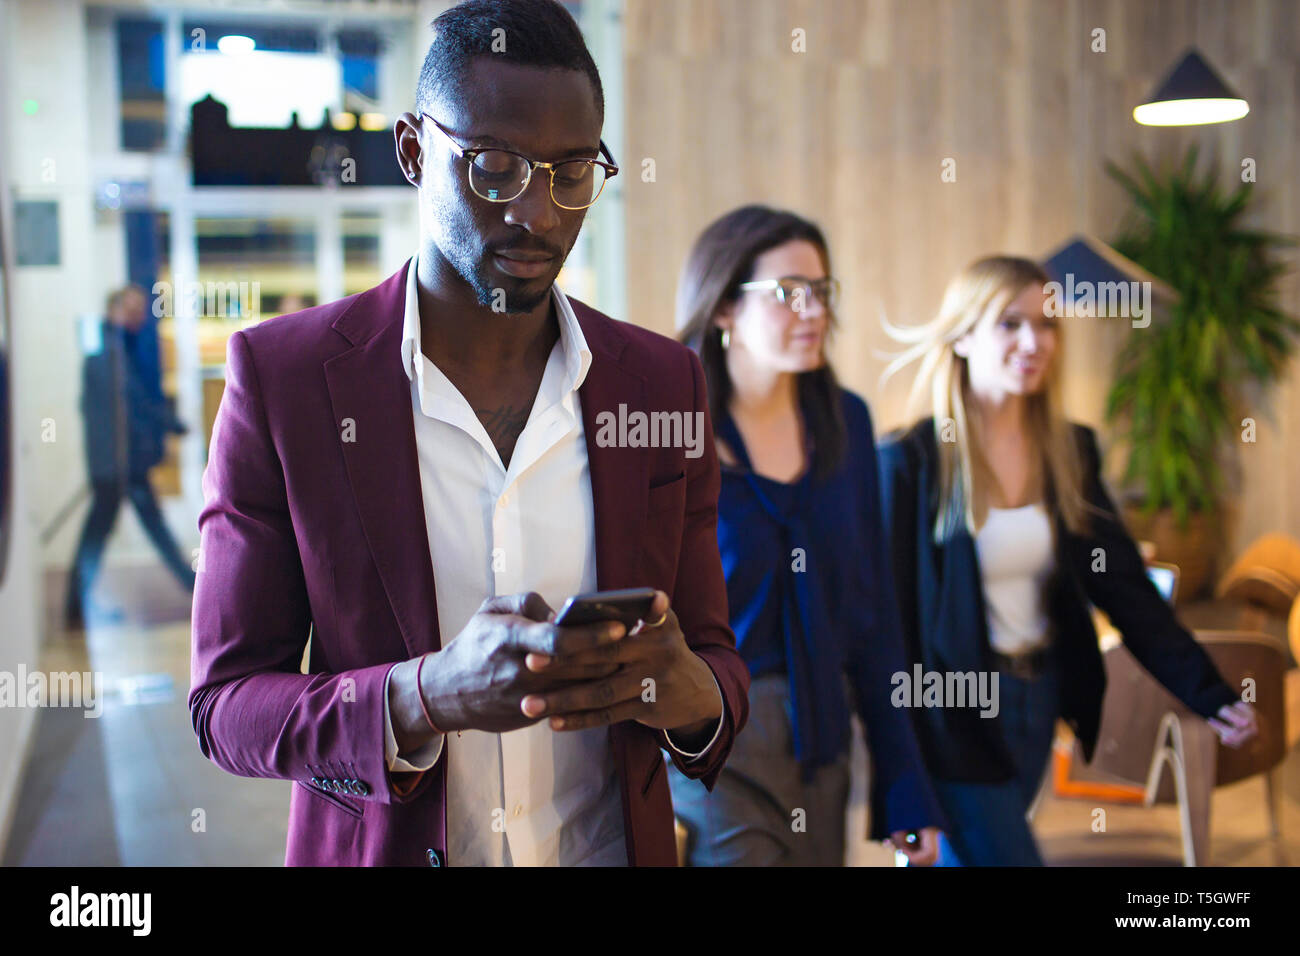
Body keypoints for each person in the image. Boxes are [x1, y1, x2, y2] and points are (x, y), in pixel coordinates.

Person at [189, 0, 748, 867]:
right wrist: (425, 696)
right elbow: (225, 707)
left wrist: (692, 693)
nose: (538, 213)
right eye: (495, 168)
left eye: (572, 173)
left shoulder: (660, 382)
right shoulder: (286, 380)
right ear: (415, 151)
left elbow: (713, 660)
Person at [878, 255, 1258, 866]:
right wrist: (900, 781)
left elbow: (1124, 586)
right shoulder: (911, 460)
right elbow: (888, 628)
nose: (1034, 342)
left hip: (1038, 699)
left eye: (1047, 323)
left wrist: (1209, 692)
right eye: (1010, 323)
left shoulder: (1069, 450)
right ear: (963, 337)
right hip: (953, 710)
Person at [671, 205, 944, 866]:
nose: (815, 311)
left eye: (822, 291)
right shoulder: (672, 432)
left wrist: (904, 784)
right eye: (790, 292)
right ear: (725, 307)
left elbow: (874, 620)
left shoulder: (845, 423)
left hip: (825, 734)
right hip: (713, 741)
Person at [65, 284, 194, 629]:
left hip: (121, 464)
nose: (139, 315)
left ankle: (76, 605)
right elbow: (132, 404)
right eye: (132, 308)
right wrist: (170, 423)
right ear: (115, 310)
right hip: (118, 466)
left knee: (132, 530)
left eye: (141, 308)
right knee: (108, 534)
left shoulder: (118, 349)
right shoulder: (110, 352)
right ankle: (76, 605)